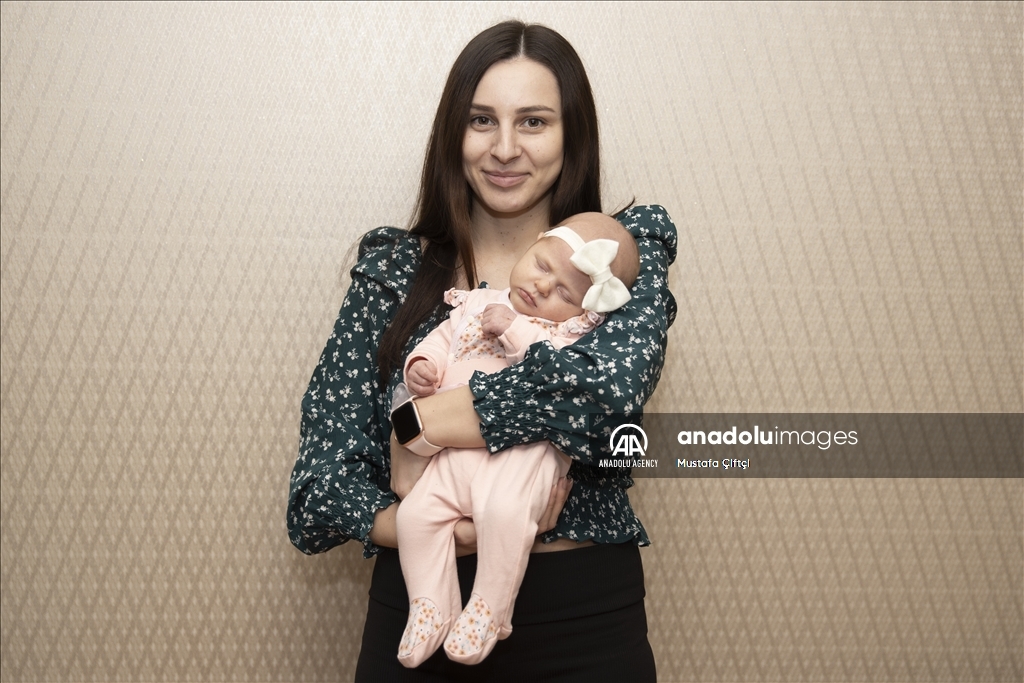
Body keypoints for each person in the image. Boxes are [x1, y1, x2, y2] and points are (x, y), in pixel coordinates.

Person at [286, 19, 677, 682]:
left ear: (570, 135)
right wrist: (426, 526)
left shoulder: (621, 255)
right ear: (453, 133)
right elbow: (317, 493)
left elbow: (602, 400)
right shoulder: (394, 270)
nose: (503, 148)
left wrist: (418, 424)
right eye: (480, 121)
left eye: (532, 122)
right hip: (418, 614)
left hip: (582, 620)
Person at [395, 212, 641, 668]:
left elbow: (559, 378)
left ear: (585, 310)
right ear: (533, 244)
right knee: (415, 516)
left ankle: (490, 608)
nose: (544, 287)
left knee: (504, 513)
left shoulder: (569, 334)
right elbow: (442, 338)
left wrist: (512, 328)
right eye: (543, 266)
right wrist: (422, 367)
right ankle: (430, 605)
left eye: (566, 291)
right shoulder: (474, 303)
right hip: (454, 455)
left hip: (522, 455)